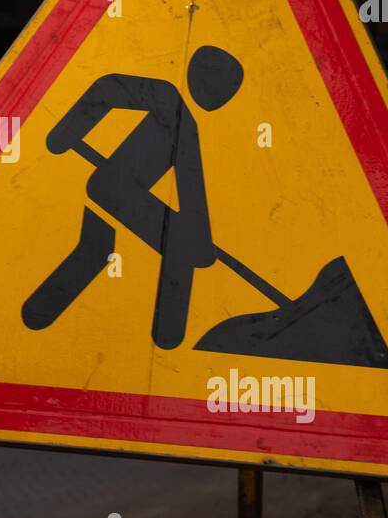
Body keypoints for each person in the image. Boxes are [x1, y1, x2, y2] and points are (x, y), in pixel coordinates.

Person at [22, 46, 244, 349]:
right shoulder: (168, 100)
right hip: (115, 189)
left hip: (112, 190)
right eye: (223, 87)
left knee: (95, 249)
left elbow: (191, 188)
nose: (222, 96)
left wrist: (201, 242)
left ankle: (38, 313)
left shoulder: (185, 123)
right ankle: (168, 333)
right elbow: (108, 89)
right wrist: (64, 134)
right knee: (177, 241)